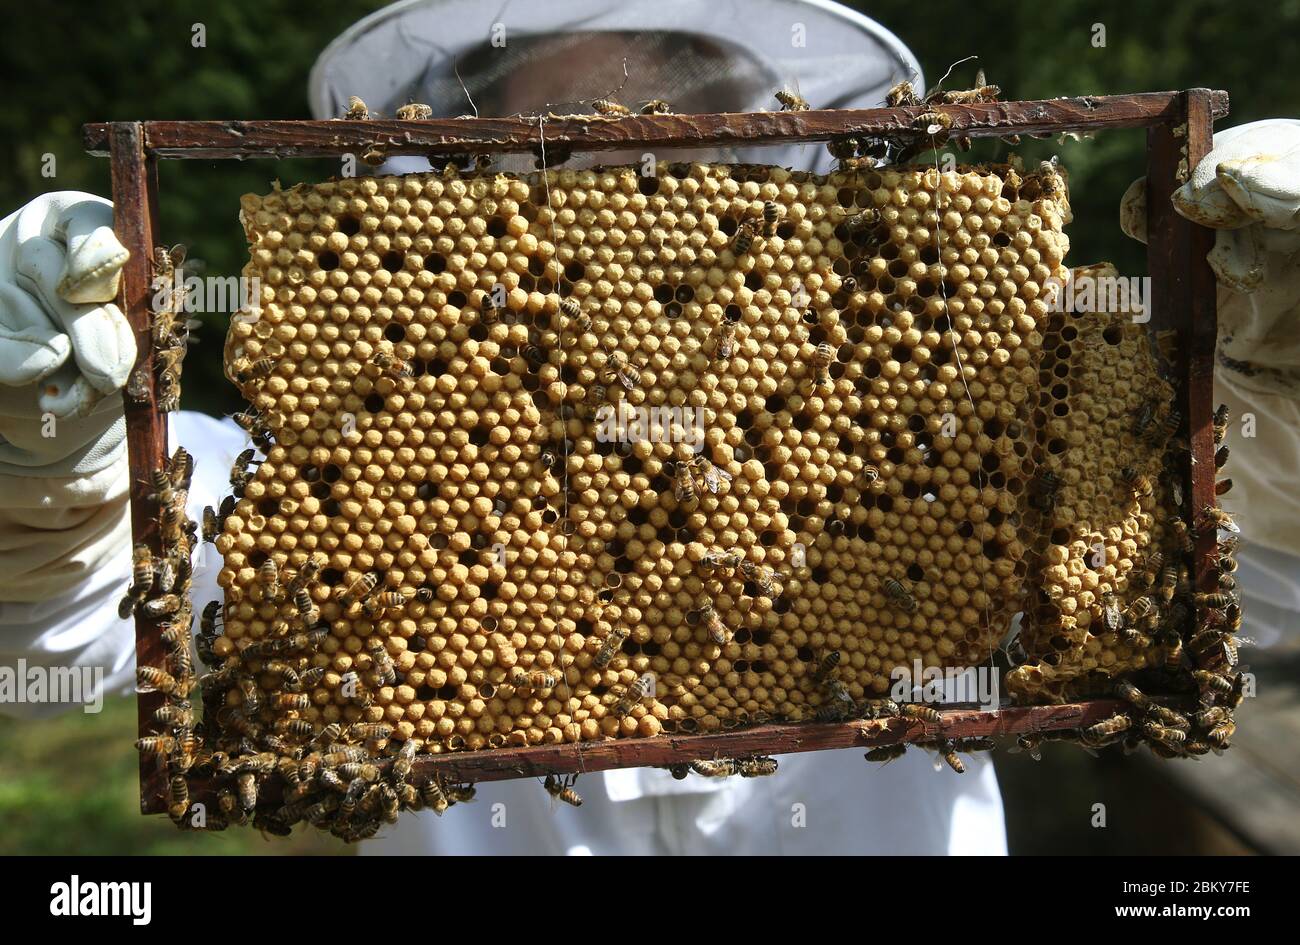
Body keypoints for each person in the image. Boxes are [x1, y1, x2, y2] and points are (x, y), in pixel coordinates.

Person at [0, 0, 1291, 856]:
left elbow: (1254, 595)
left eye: (679, 149)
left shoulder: (952, 440)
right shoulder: (338, 478)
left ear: (783, 180)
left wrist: (1275, 402)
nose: (629, 194)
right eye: (562, 151)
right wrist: (48, 470)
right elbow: (71, 620)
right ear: (446, 192)